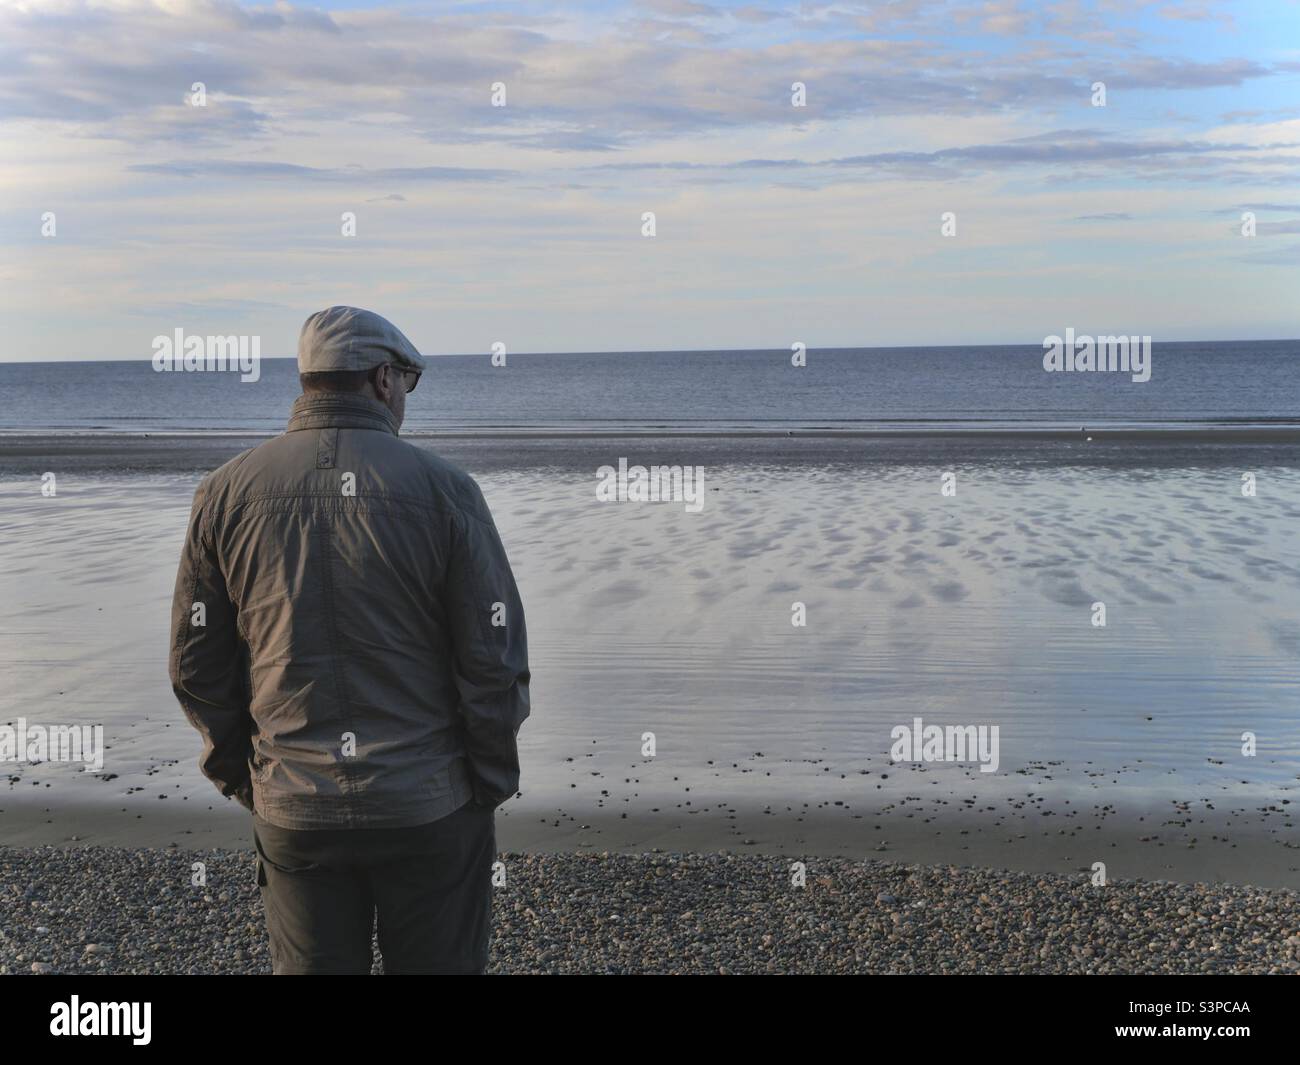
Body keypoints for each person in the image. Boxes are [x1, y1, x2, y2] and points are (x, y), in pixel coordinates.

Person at [168, 305, 530, 974]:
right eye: (408, 386)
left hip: (296, 803)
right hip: (428, 802)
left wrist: (248, 775)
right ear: (382, 378)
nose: (406, 403)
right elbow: (494, 657)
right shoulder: (446, 490)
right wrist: (486, 780)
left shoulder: (223, 495)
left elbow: (196, 664)